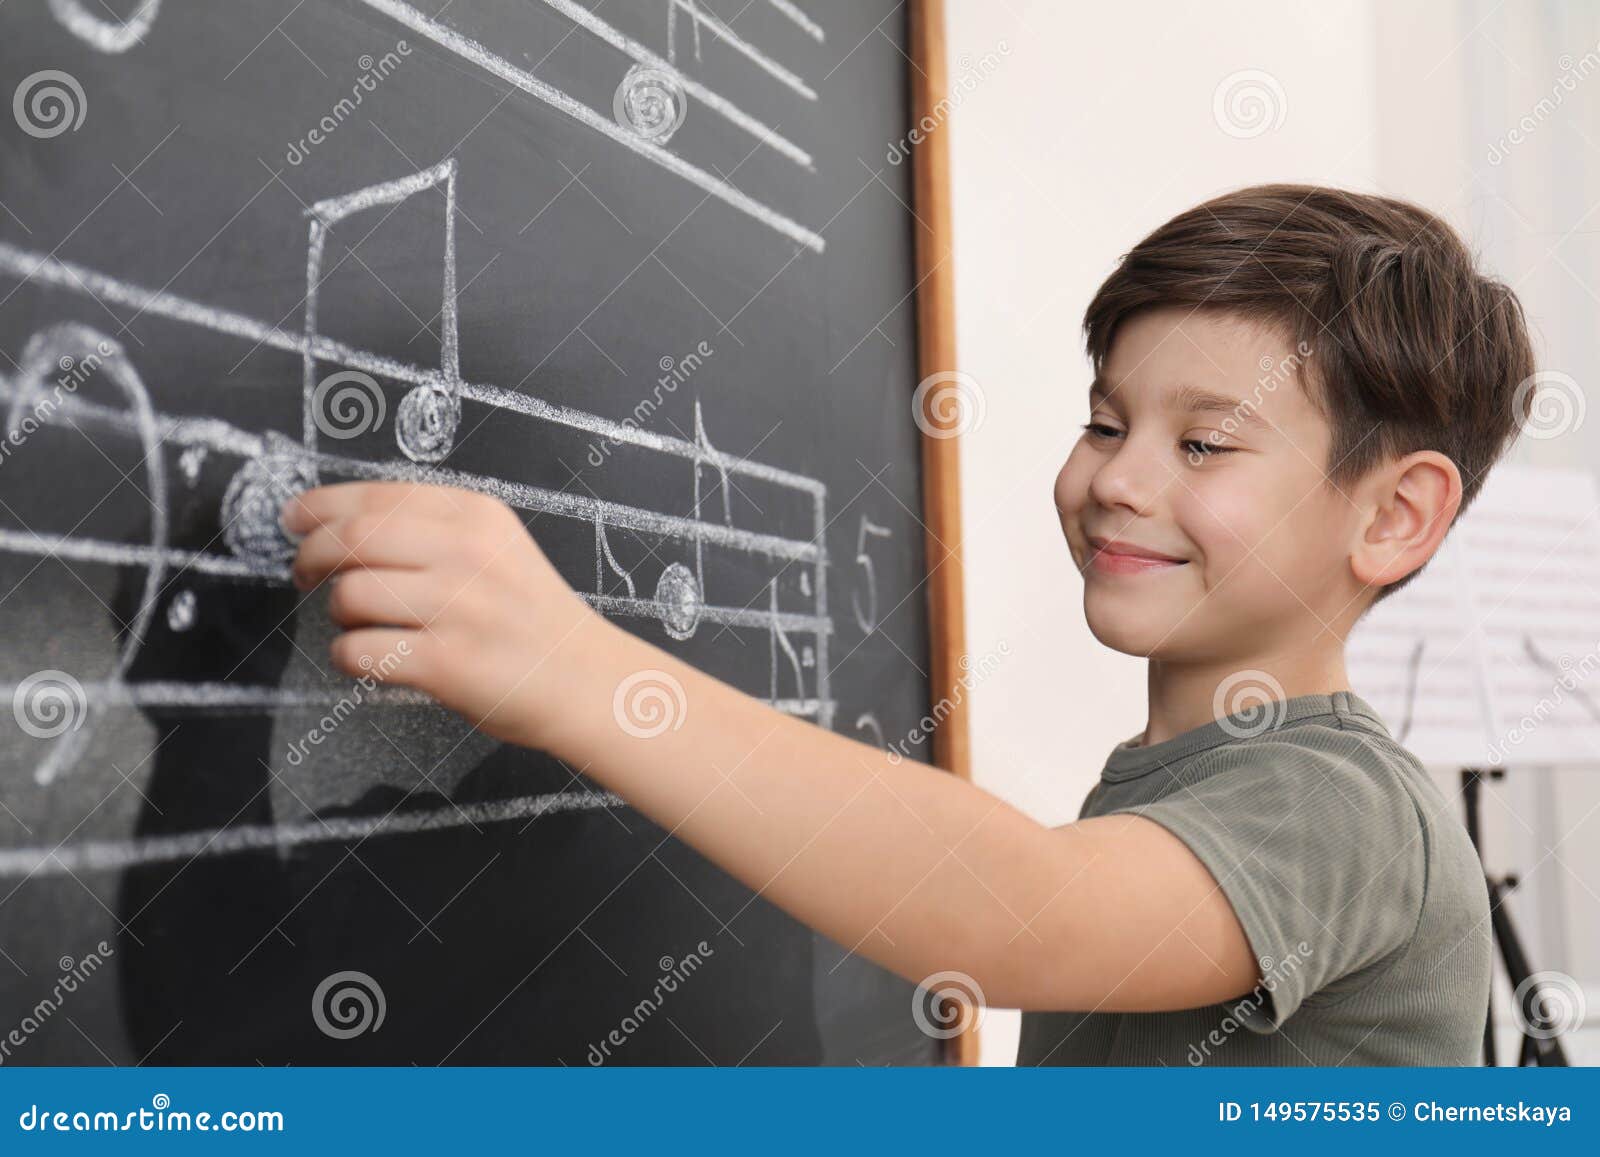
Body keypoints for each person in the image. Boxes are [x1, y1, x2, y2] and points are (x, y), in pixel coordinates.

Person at [279, 184, 1529, 1065]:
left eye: (1201, 441)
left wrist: (572, 667)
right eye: (1105, 422)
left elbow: (1015, 912)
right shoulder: (1184, 785)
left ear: (1393, 515)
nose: (1119, 479)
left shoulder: (1343, 803)